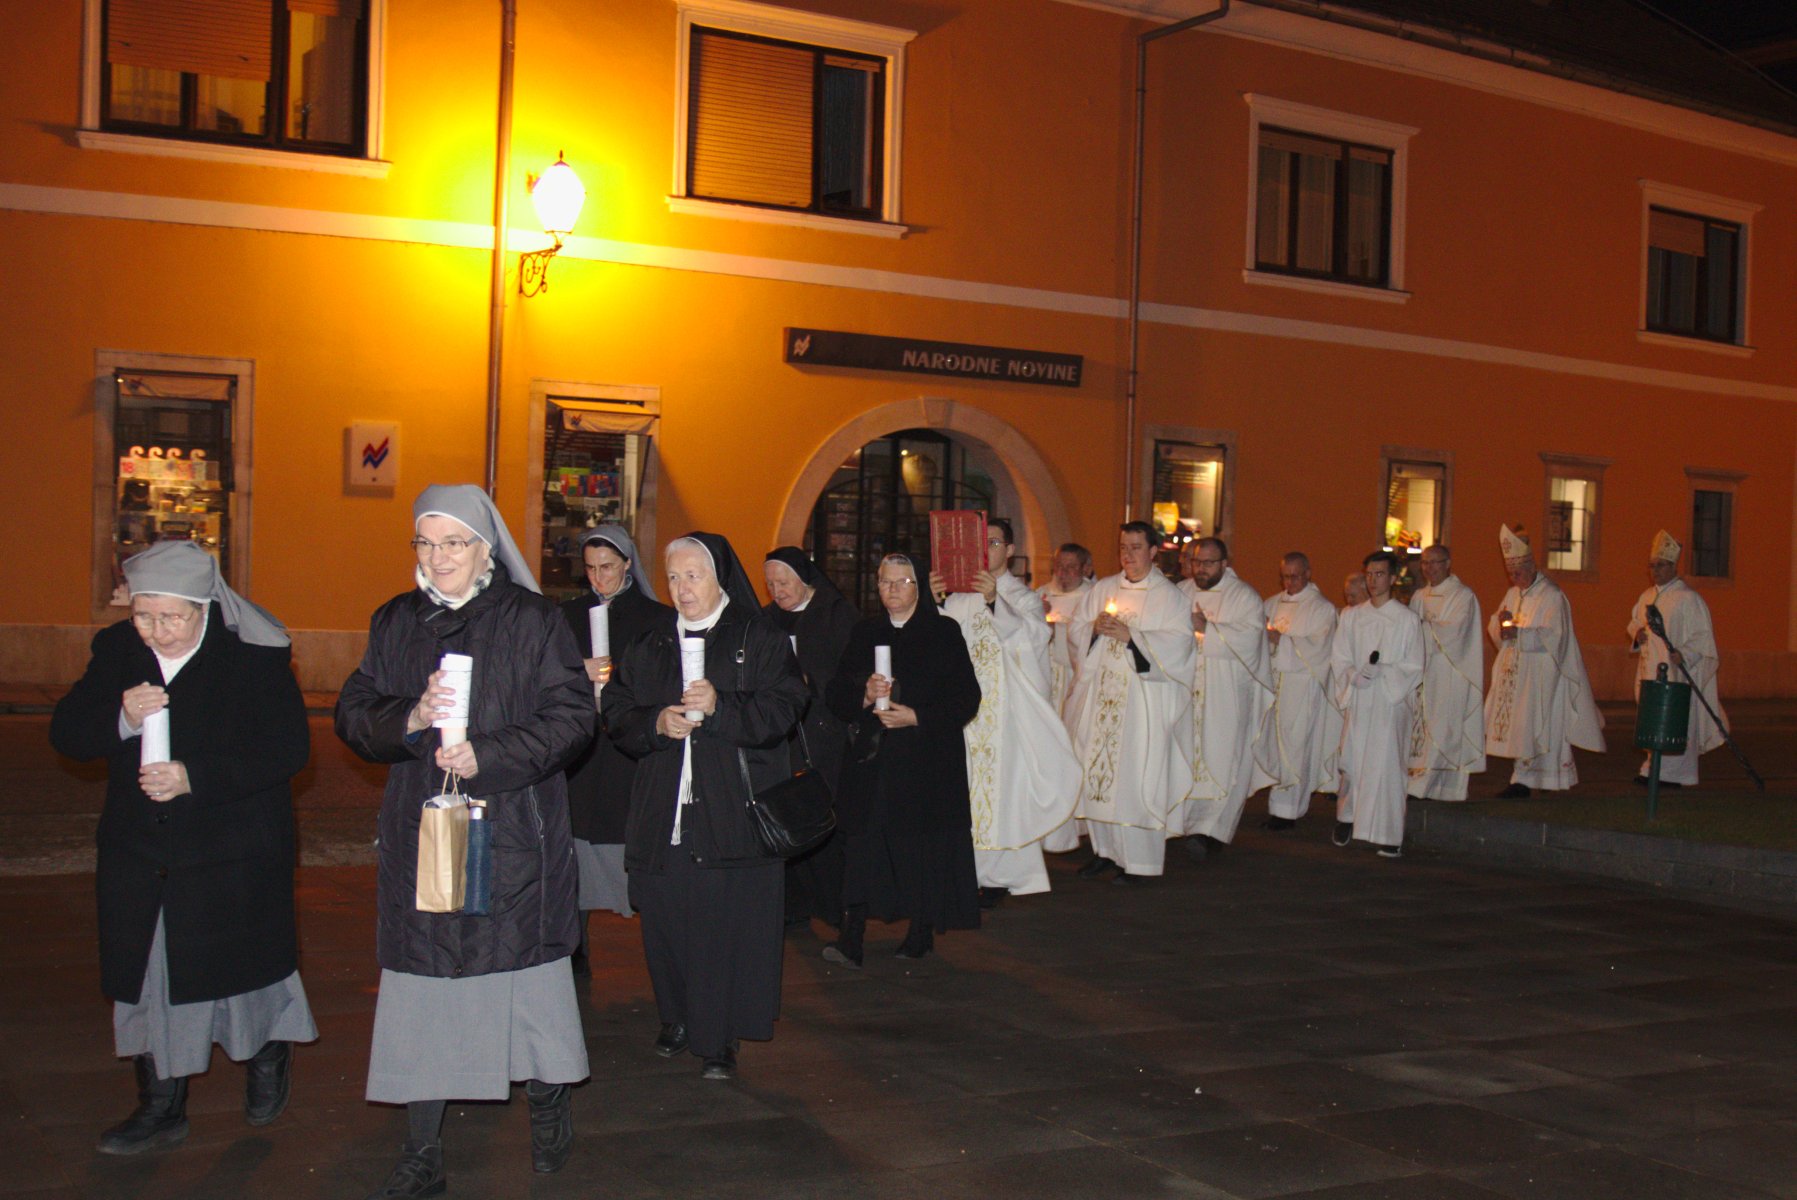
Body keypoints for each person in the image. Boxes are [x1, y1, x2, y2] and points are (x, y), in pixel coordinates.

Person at [336, 485, 593, 1196]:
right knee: (422, 990)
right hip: (426, 832)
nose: (438, 557)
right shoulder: (395, 620)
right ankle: (421, 1150)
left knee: (523, 984)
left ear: (485, 549)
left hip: (511, 833)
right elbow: (355, 713)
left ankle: (548, 1104)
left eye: (454, 542)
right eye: (425, 542)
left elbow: (573, 717)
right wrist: (410, 716)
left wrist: (492, 754)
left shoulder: (532, 620)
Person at [50, 542, 315, 1156]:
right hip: (142, 850)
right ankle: (161, 1107)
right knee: (149, 973)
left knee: (243, 972)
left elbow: (287, 749)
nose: (156, 631)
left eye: (171, 618)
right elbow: (67, 732)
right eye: (144, 616)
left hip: (232, 846)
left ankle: (267, 1054)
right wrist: (120, 715)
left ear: (204, 607)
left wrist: (195, 775)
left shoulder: (253, 656)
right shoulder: (119, 650)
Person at [602, 534, 807, 1079]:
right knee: (665, 919)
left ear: (719, 578)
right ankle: (678, 1016)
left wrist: (721, 707)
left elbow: (784, 707)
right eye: (673, 577)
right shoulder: (651, 643)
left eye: (693, 576)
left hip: (729, 809)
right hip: (664, 809)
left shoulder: (756, 637)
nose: (682, 588)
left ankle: (718, 1040)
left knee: (720, 925)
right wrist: (654, 724)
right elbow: (618, 709)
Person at [824, 551, 982, 962]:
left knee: (919, 850)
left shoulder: (943, 632)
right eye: (883, 582)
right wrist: (864, 693)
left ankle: (920, 930)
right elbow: (836, 692)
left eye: (900, 582)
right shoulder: (865, 632)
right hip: (874, 762)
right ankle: (851, 935)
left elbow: (966, 698)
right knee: (862, 845)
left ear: (918, 588)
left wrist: (916, 716)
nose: (890, 590)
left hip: (924, 761)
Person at [937, 519, 1081, 904]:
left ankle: (1004, 876)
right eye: (979, 543)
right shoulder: (959, 598)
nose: (987, 550)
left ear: (1010, 551)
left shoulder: (1023, 596)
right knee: (966, 789)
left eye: (995, 542)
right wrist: (934, 603)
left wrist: (993, 602)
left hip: (1008, 716)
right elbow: (940, 645)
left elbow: (1035, 638)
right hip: (967, 715)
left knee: (1006, 792)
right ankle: (968, 870)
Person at [560, 527, 671, 955]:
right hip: (580, 750)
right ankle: (574, 945)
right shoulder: (569, 615)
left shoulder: (655, 618)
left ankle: (654, 939)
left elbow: (662, 679)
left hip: (626, 753)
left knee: (624, 842)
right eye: (589, 569)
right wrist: (576, 671)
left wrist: (621, 677)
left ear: (627, 564)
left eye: (607, 567)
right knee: (574, 845)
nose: (598, 578)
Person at [1064, 522, 1196, 883]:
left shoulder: (1170, 597)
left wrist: (1131, 636)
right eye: (1123, 547)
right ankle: (1105, 851)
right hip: (1101, 698)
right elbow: (1075, 633)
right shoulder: (1104, 588)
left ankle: (1140, 862)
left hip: (1141, 704)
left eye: (1136, 547)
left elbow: (1181, 646)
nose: (1128, 555)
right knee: (1098, 774)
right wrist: (1092, 630)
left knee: (1135, 778)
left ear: (1154, 552)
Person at [763, 546, 859, 929]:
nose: (776, 590)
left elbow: (852, 674)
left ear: (804, 579)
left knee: (825, 820)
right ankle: (793, 906)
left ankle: (834, 905)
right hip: (782, 738)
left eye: (783, 582)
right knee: (785, 820)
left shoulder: (838, 616)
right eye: (770, 583)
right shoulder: (767, 620)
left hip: (825, 734)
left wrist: (810, 683)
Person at [1484, 524, 1605, 797]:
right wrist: (1501, 629)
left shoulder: (1552, 595)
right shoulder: (1514, 594)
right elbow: (1496, 621)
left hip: (1544, 675)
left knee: (1540, 726)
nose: (1514, 578)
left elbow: (1556, 636)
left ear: (1530, 566)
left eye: (1517, 572)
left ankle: (1543, 779)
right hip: (1519, 673)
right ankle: (1523, 778)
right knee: (1522, 726)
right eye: (1510, 573)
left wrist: (1520, 634)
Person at [1176, 537, 1272, 858]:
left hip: (1226, 694)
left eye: (1208, 563)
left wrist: (1208, 628)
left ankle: (1213, 830)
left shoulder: (1243, 596)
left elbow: (1252, 639)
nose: (1200, 569)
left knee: (1223, 756)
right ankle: (1185, 823)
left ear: (1224, 564)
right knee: (1188, 753)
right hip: (1189, 690)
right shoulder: (1182, 592)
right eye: (1196, 562)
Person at [1330, 552, 1424, 857]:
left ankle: (1389, 832)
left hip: (1388, 702)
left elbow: (1414, 665)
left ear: (1393, 578)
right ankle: (1347, 816)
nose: (1373, 581)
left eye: (1380, 574)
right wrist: (1353, 676)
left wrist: (1383, 672)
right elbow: (1340, 656)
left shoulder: (1407, 620)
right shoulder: (1352, 616)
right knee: (1353, 760)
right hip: (1360, 698)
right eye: (1369, 574)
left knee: (1386, 764)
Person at [1627, 530, 1725, 786]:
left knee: (1676, 719)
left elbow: (1702, 638)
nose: (1655, 570)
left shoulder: (1689, 599)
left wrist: (1685, 654)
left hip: (1676, 673)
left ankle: (1677, 775)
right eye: (1652, 566)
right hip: (1649, 670)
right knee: (1652, 717)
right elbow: (1635, 621)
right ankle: (1652, 768)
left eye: (1660, 565)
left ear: (1672, 566)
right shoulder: (1646, 596)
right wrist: (1637, 633)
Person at [1252, 552, 1340, 830]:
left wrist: (1283, 641)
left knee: (1295, 745)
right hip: (1275, 683)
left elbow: (1320, 649)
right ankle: (1275, 804)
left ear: (1308, 573)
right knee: (1274, 744)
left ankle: (1288, 811)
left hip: (1302, 687)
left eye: (1295, 576)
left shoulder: (1321, 608)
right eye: (1285, 576)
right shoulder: (1271, 603)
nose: (1289, 582)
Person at [1405, 545, 1486, 801]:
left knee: (1443, 729)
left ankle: (1428, 787)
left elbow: (1457, 633)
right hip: (1423, 674)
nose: (1429, 568)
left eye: (1435, 562)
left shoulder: (1462, 596)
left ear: (1448, 563)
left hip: (1448, 673)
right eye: (1425, 563)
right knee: (1421, 729)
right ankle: (1423, 784)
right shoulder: (1419, 595)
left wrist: (1423, 628)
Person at [1037, 542, 1095, 717]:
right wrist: (1036, 615)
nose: (1062, 572)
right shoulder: (1040, 594)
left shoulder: (1092, 598)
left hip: (1073, 675)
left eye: (1071, 567)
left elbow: (1092, 637)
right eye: (1059, 566)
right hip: (1043, 671)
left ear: (1086, 569)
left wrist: (1057, 631)